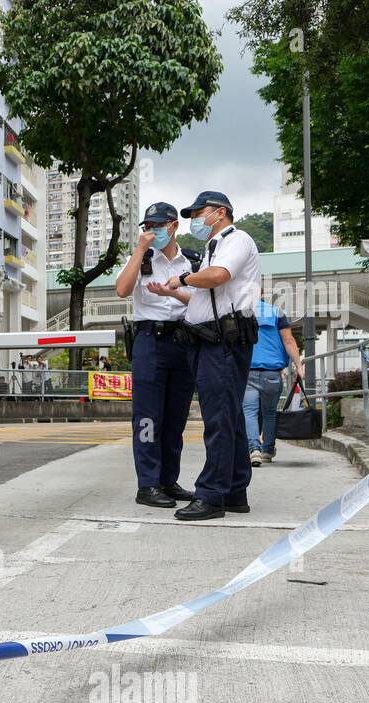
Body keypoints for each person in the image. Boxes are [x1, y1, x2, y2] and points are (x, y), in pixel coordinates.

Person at [156, 190, 262, 521]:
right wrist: (174, 291)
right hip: (211, 339)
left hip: (225, 341)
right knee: (228, 417)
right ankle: (234, 490)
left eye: (199, 213)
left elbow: (219, 277)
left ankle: (211, 494)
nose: (196, 220)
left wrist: (183, 277)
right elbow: (206, 299)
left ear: (220, 212)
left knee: (218, 418)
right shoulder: (213, 248)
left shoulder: (236, 239)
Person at [115, 200, 199, 508]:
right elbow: (122, 290)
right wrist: (138, 251)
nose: (152, 232)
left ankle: (167, 480)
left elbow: (201, 301)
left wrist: (174, 292)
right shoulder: (141, 258)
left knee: (176, 417)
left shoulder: (191, 261)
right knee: (148, 417)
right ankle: (147, 485)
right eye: (148, 227)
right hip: (150, 339)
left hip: (183, 339)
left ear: (174, 226)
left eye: (158, 226)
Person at [242, 293, 303, 466]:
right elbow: (289, 340)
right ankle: (267, 450)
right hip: (272, 372)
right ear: (262, 294)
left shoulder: (241, 313)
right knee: (269, 413)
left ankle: (253, 449)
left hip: (248, 370)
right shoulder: (276, 312)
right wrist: (298, 365)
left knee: (249, 412)